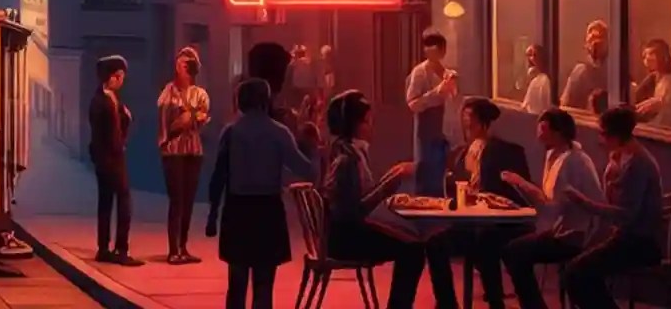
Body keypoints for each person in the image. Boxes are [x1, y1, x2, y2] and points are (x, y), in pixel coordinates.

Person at [323, 90, 458, 309]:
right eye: (367, 121)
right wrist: (390, 184)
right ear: (356, 124)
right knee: (413, 248)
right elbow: (354, 212)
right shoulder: (346, 160)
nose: (371, 126)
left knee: (426, 239)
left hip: (349, 231)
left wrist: (392, 175)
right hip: (346, 239)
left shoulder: (351, 152)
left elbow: (363, 194)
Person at [206, 78, 317, 309]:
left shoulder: (231, 132)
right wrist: (310, 146)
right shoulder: (279, 133)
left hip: (237, 210)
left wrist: (213, 214)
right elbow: (304, 169)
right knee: (264, 284)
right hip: (268, 211)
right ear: (266, 101)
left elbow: (219, 175)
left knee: (236, 283)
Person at [501, 109, 605, 309]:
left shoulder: (574, 161)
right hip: (559, 229)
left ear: (558, 133)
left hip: (576, 234)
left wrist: (522, 184)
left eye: (543, 129)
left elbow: (553, 208)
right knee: (512, 247)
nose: (538, 133)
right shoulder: (554, 155)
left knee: (514, 252)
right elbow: (548, 202)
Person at [562, 106, 664, 309]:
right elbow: (612, 204)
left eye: (603, 134)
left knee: (577, 273)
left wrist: (585, 203)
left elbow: (627, 215)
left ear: (616, 135)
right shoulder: (619, 158)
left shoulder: (638, 164)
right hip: (622, 237)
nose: (600, 139)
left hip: (640, 242)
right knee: (577, 267)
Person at [445, 97, 531, 309]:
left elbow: (520, 195)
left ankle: (495, 301)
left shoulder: (508, 151)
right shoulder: (459, 153)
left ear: (485, 122)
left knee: (486, 239)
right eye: (464, 119)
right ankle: (446, 302)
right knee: (435, 243)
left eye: (471, 119)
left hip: (500, 222)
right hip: (468, 221)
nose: (466, 125)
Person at [157, 46, 211, 265]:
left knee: (188, 200)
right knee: (176, 200)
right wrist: (188, 117)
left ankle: (183, 246)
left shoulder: (200, 93)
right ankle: (173, 249)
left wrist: (189, 117)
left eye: (185, 63)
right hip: (172, 151)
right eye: (178, 62)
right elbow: (167, 120)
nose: (180, 66)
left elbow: (202, 117)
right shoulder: (168, 91)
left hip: (193, 150)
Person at [88, 55, 142, 266]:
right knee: (123, 199)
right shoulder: (102, 101)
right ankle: (120, 249)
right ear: (111, 77)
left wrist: (125, 118)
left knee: (107, 201)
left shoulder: (110, 100)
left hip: (108, 157)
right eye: (119, 76)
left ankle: (104, 248)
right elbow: (108, 134)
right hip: (110, 158)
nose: (121, 80)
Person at [406, 30, 457, 196]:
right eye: (429, 48)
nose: (433, 51)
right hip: (426, 131)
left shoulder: (447, 73)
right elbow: (412, 103)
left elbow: (455, 102)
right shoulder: (420, 72)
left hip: (446, 132)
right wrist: (436, 93)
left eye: (438, 48)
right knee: (426, 173)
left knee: (446, 175)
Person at [562, 20, 608, 111]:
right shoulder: (579, 72)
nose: (596, 43)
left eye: (600, 38)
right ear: (586, 44)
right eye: (592, 39)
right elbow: (567, 104)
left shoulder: (616, 72)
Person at [520, 44, 552, 115]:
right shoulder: (524, 78)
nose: (531, 59)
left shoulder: (543, 80)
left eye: (534, 55)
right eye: (528, 55)